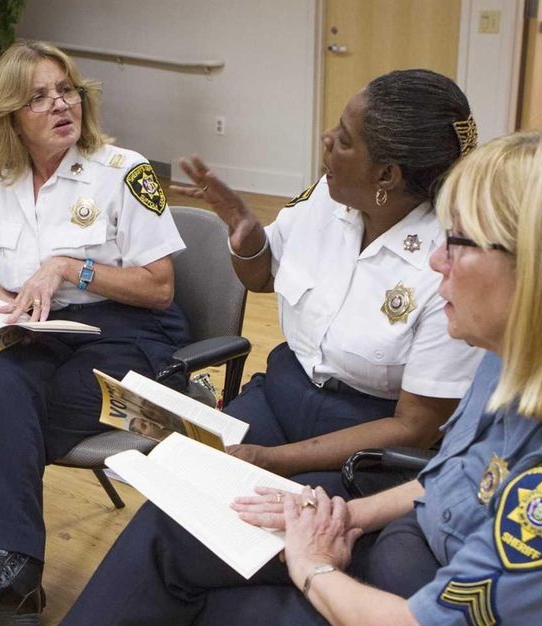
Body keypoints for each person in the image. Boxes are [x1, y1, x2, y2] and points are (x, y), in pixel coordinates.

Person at [29, 129, 542, 626]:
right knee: (185, 533)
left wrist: (316, 568)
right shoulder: (533, 350)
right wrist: (351, 516)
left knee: (174, 624)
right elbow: (464, 475)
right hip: (417, 557)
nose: (436, 263)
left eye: (457, 243)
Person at [0, 40, 192, 626]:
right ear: (10, 115)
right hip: (45, 331)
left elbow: (159, 288)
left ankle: (7, 584)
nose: (59, 104)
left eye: (66, 90)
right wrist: (11, 304)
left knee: (3, 415)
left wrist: (73, 268)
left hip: (131, 332)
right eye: (39, 96)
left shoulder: (125, 171)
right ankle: (10, 580)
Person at [176, 69, 485, 496]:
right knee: (182, 496)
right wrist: (247, 235)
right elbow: (264, 275)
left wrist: (270, 460)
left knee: (259, 531)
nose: (325, 139)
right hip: (282, 394)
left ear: (386, 176)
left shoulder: (448, 264)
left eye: (343, 139)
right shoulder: (328, 197)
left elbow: (413, 428)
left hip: (365, 439)